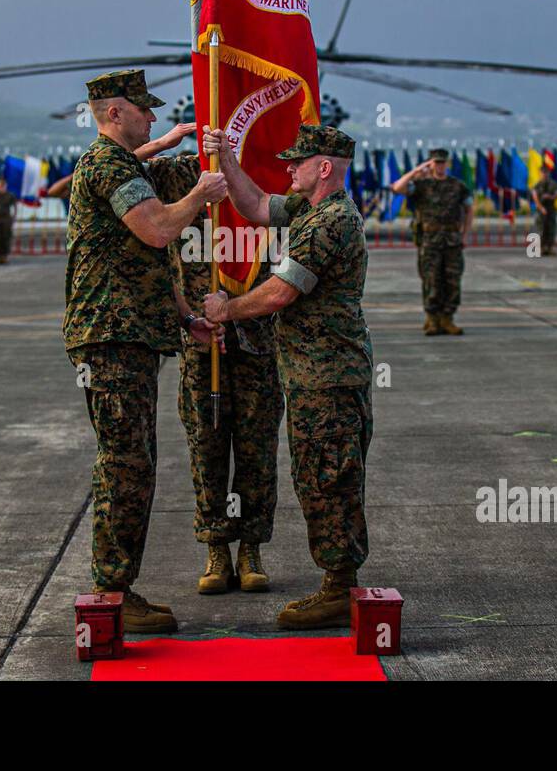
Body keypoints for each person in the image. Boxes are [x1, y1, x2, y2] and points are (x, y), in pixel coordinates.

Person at [63, 69, 227, 633]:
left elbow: (150, 264)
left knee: (134, 461)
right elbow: (157, 232)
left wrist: (185, 318)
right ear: (114, 113)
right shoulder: (109, 166)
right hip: (111, 336)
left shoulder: (122, 164)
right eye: (143, 110)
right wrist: (200, 194)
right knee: (125, 464)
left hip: (127, 333)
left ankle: (117, 586)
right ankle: (112, 590)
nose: (152, 118)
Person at [202, 123, 373, 630]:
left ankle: (340, 587)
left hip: (329, 378)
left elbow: (280, 293)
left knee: (330, 478)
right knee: (316, 475)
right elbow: (255, 205)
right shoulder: (310, 210)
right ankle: (337, 581)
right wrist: (227, 158)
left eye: (297, 162)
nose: (287, 169)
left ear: (324, 168)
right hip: (311, 375)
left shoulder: (330, 221)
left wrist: (225, 310)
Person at [136, 121, 283, 594]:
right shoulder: (178, 175)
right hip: (202, 343)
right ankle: (216, 549)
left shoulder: (265, 177)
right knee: (207, 448)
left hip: (259, 339)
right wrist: (162, 143)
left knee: (258, 451)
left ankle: (252, 548)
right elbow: (116, 172)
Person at [392, 148, 473, 333]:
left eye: (442, 162)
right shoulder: (421, 185)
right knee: (431, 279)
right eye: (436, 162)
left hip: (452, 240)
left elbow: (469, 209)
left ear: (447, 164)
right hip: (429, 241)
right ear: (431, 164)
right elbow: (397, 187)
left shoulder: (457, 186)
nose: (440, 166)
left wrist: (465, 235)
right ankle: (432, 319)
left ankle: (447, 319)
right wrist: (417, 170)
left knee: (452, 280)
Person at [531, 164, 557, 256]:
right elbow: (535, 198)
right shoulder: (537, 185)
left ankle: (550, 248)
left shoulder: (553, 184)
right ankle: (540, 248)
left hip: (551, 209)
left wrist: (551, 197)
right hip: (541, 210)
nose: (545, 174)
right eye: (543, 172)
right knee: (541, 229)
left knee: (551, 229)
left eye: (546, 172)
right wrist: (541, 208)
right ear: (540, 173)